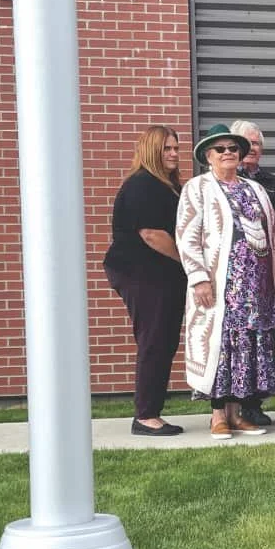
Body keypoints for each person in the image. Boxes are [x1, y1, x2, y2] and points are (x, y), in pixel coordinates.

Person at [176, 124, 275, 439]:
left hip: (256, 288)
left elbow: (272, 233)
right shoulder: (198, 188)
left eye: (233, 149)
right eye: (220, 149)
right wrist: (199, 279)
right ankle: (218, 416)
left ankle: (237, 414)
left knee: (247, 346)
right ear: (208, 155)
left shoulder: (255, 189)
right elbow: (187, 236)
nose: (228, 154)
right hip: (221, 287)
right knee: (222, 347)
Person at [102, 125, 187, 436]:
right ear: (151, 151)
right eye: (167, 149)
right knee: (154, 339)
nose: (175, 154)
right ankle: (146, 416)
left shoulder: (167, 186)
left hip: (161, 275)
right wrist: (189, 263)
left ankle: (152, 411)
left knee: (162, 340)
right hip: (141, 272)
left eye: (176, 148)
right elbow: (151, 234)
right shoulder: (142, 185)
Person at [231, 120, 275, 428]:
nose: (252, 149)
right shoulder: (220, 182)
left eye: (257, 144)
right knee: (237, 342)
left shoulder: (272, 184)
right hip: (236, 279)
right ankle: (232, 405)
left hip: (266, 277)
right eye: (246, 143)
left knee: (263, 340)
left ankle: (254, 404)